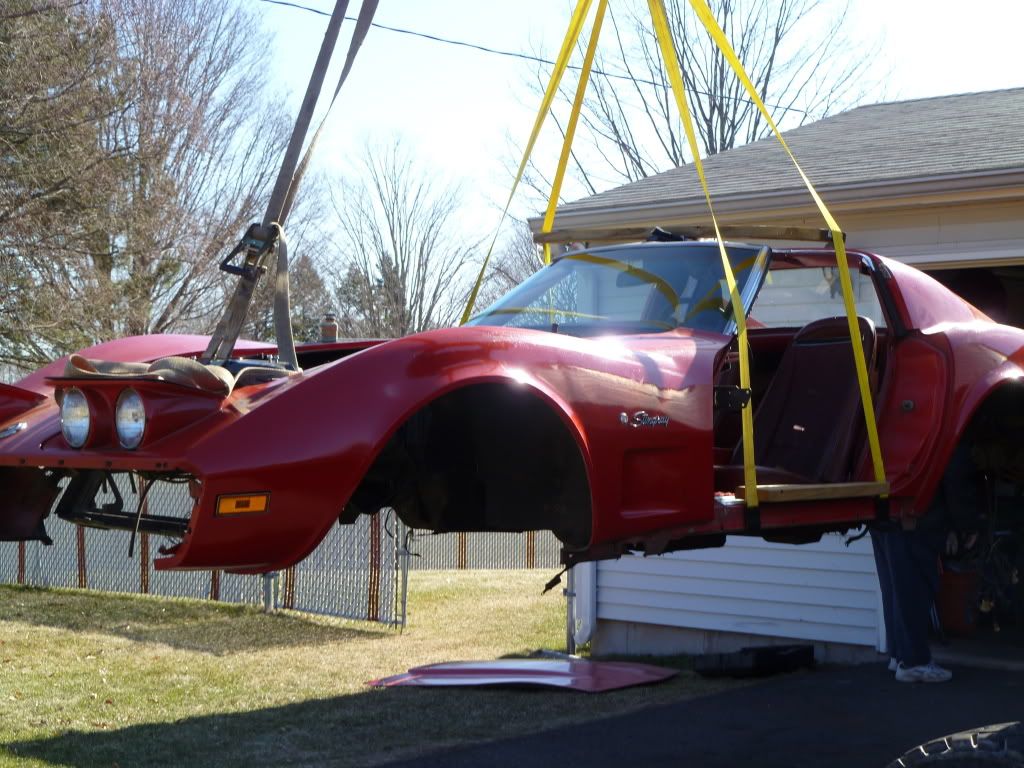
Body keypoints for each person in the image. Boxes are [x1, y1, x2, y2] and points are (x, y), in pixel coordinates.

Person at [870, 443, 981, 683]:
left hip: (884, 511)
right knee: (913, 589)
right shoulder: (945, 428)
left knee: (894, 589)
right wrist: (966, 524)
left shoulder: (888, 422)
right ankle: (914, 662)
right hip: (916, 516)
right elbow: (955, 478)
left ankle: (899, 655)